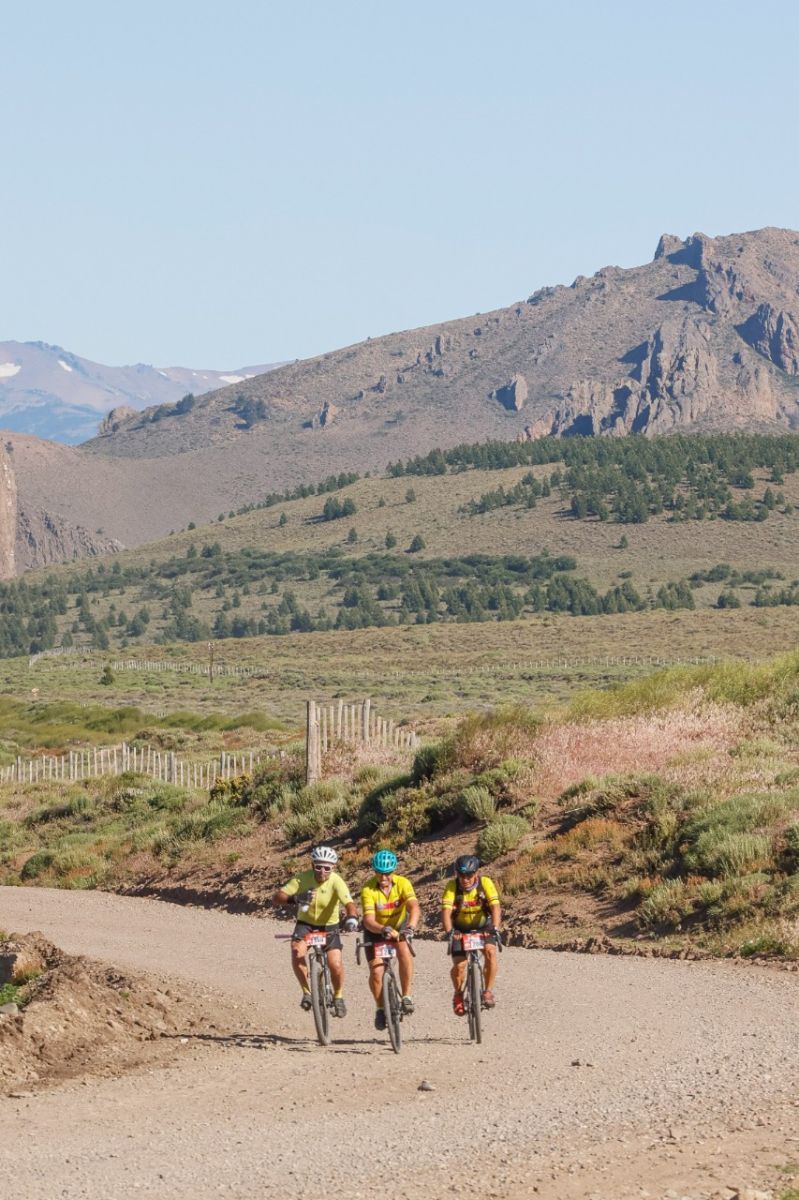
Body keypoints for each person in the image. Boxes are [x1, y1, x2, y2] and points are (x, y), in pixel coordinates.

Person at [273, 844, 358, 1018]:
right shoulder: (302, 879)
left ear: (333, 868)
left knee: (335, 964)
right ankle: (307, 992)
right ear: (312, 865)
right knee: (297, 951)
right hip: (306, 924)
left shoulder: (336, 881)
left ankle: (339, 996)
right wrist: (295, 898)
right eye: (318, 867)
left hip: (329, 926)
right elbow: (277, 897)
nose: (322, 871)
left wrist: (351, 918)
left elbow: (349, 903)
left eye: (327, 868)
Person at [360, 848, 421, 1031]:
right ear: (374, 871)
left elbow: (414, 907)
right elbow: (369, 920)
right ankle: (380, 1007)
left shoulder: (403, 883)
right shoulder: (368, 889)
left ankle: (406, 996)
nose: (384, 878)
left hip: (398, 926)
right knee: (376, 972)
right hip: (375, 930)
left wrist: (410, 927)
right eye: (379, 873)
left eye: (387, 873)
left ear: (393, 871)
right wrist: (383, 929)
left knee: (403, 950)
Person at [441, 854, 501, 1015]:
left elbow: (495, 907)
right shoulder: (452, 886)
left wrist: (495, 927)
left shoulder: (485, 883)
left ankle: (487, 991)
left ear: (476, 873)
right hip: (459, 929)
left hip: (483, 927)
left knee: (490, 952)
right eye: (461, 875)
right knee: (460, 966)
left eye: (469, 875)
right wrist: (449, 932)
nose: (465, 879)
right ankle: (458, 994)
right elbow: (446, 912)